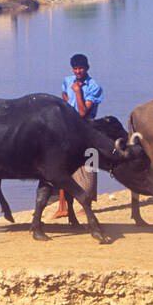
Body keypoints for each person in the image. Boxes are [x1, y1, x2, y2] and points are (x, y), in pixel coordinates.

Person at [54, 52, 103, 219]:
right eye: (75, 68)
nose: (78, 71)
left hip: (87, 126)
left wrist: (78, 92)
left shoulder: (94, 87)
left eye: (81, 68)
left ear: (87, 68)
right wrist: (69, 103)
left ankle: (88, 202)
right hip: (68, 127)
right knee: (62, 166)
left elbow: (83, 112)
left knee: (90, 166)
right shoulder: (68, 81)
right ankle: (62, 207)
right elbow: (64, 95)